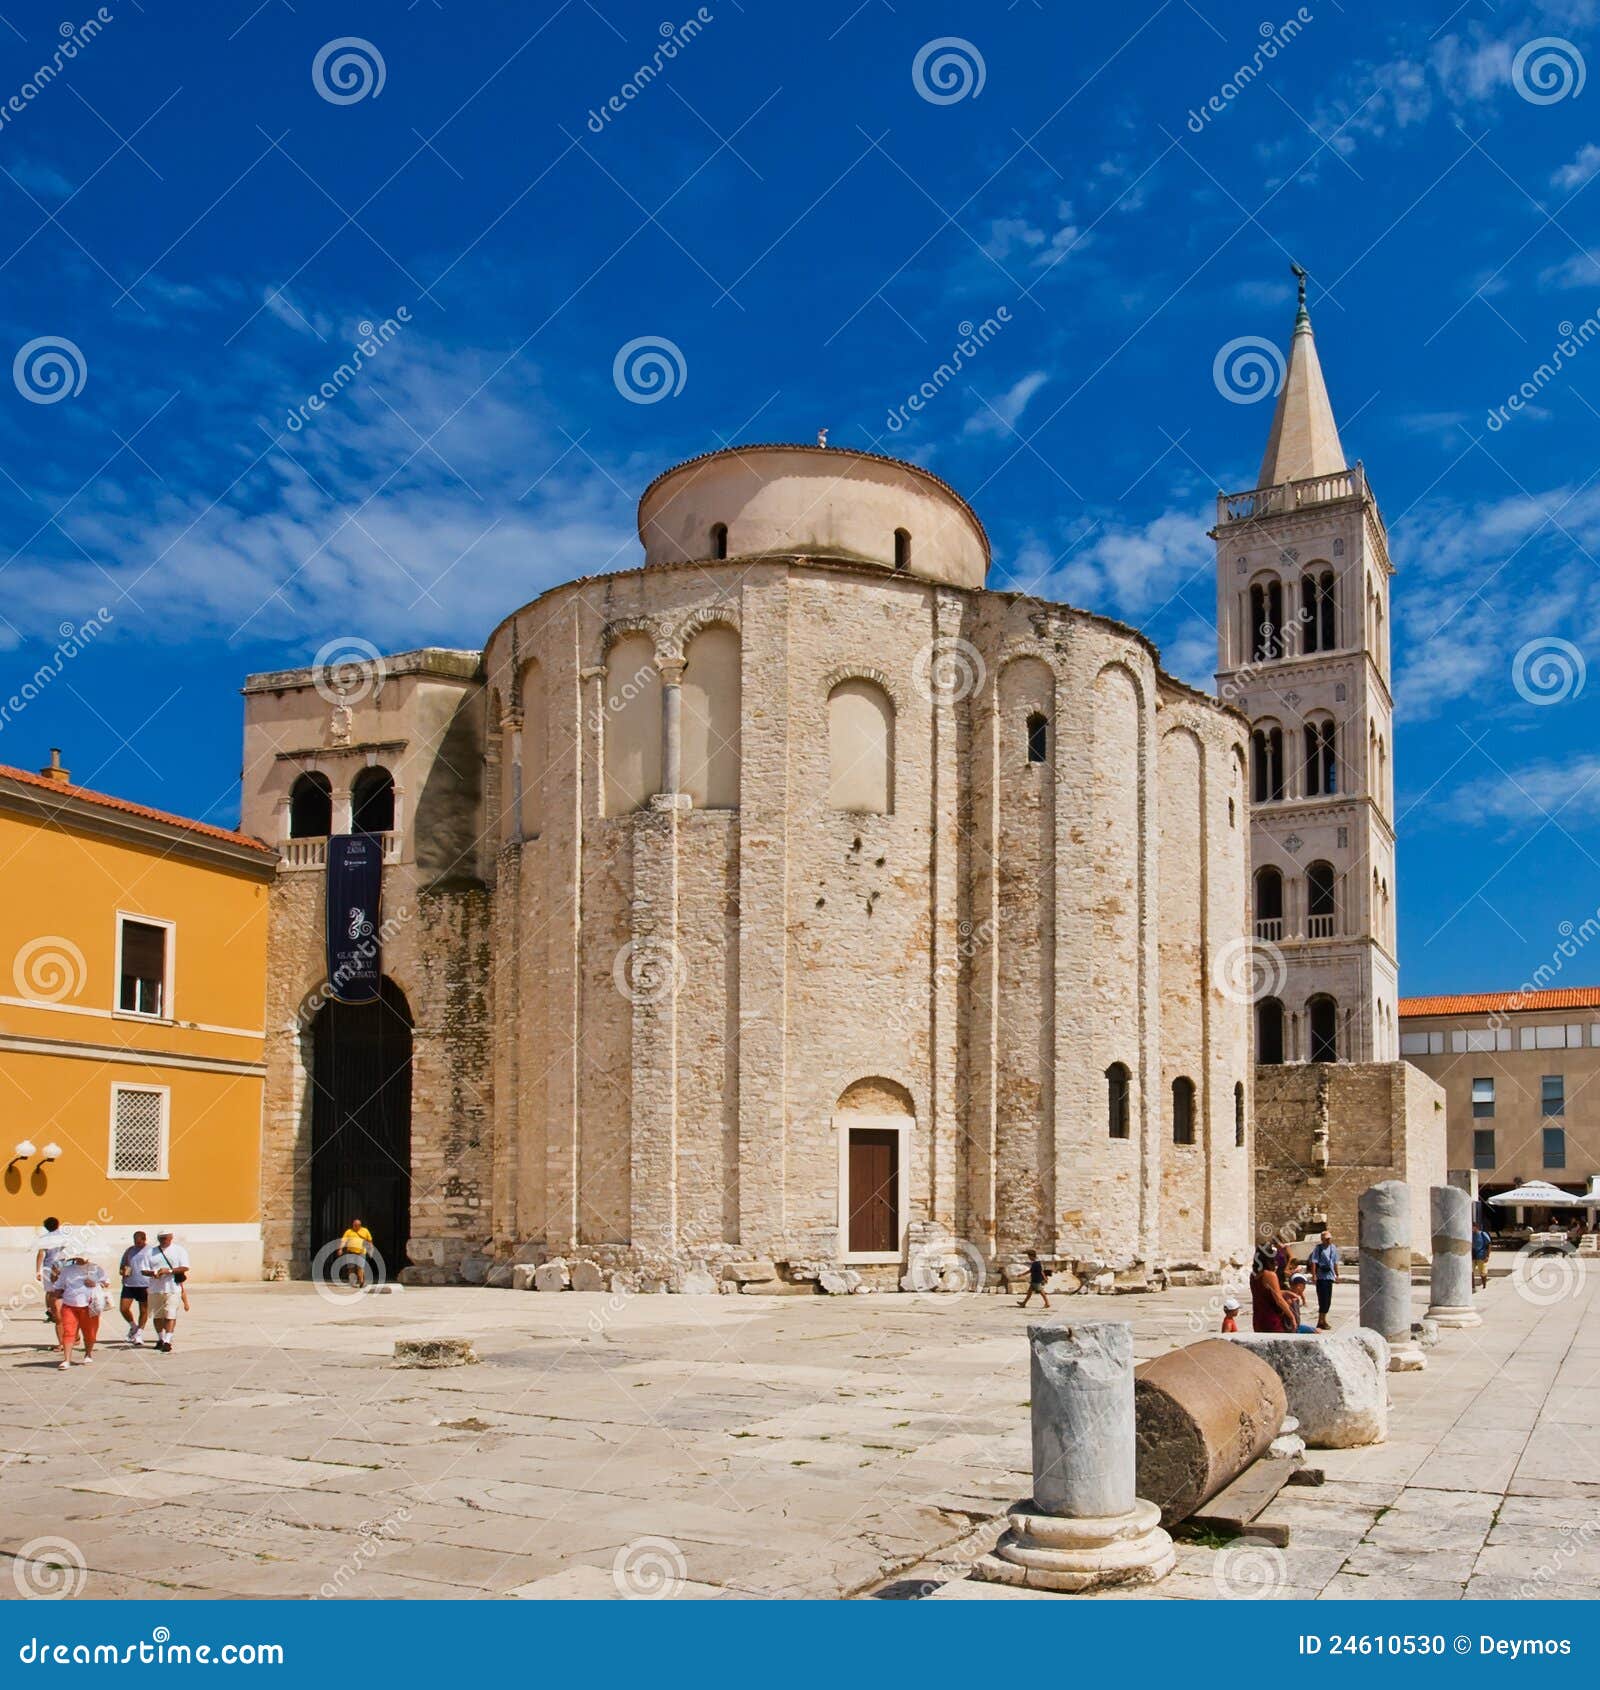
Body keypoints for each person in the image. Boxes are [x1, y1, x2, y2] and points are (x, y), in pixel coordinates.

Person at [50, 1251, 110, 1370]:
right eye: (79, 1256)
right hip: (69, 1305)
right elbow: (58, 1287)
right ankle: (66, 1360)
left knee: (90, 1333)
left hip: (90, 1305)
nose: (81, 1258)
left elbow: (106, 1282)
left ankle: (88, 1354)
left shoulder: (95, 1268)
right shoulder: (67, 1270)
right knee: (68, 1332)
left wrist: (95, 1283)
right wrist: (53, 1301)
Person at [142, 1230, 191, 1353]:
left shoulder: (179, 1250)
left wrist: (168, 1271)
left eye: (166, 1238)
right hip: (155, 1288)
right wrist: (153, 1273)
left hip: (172, 1288)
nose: (164, 1240)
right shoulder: (150, 1252)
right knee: (157, 1316)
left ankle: (168, 1341)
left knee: (170, 1314)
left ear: (171, 1237)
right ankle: (161, 1339)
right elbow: (143, 1270)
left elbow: (185, 1267)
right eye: (161, 1238)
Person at [1250, 1244, 1296, 1333]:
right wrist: (1292, 1316)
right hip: (1272, 1319)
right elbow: (1279, 1300)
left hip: (1258, 1319)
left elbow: (1263, 1293)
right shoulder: (1270, 1275)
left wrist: (1284, 1292)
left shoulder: (1253, 1275)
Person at [119, 1230, 150, 1345]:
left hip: (145, 1284)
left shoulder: (150, 1251)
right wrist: (124, 1272)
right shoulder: (129, 1250)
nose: (137, 1244)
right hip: (129, 1283)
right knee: (123, 1308)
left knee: (143, 1309)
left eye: (139, 1242)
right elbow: (124, 1264)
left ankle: (139, 1334)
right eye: (135, 1241)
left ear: (144, 1239)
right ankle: (133, 1327)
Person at [35, 1216, 64, 1333]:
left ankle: (52, 1311)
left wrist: (37, 1270)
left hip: (48, 1267)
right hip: (61, 1267)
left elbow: (41, 1254)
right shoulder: (64, 1238)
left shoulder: (44, 1239)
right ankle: (60, 1313)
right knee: (61, 1291)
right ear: (58, 1224)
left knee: (50, 1292)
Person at [1308, 1229, 1340, 1331]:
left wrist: (1337, 1274)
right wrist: (1314, 1275)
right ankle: (1320, 1321)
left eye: (1329, 1238)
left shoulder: (1333, 1248)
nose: (1328, 1240)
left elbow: (1335, 1262)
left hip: (1329, 1276)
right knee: (1322, 1299)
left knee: (1327, 1300)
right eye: (1326, 1239)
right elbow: (1314, 1261)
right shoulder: (1318, 1248)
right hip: (1321, 1277)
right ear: (1322, 1239)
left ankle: (1323, 1320)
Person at [339, 1217, 374, 1289]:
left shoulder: (365, 1231)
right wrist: (340, 1249)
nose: (355, 1226)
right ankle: (352, 1282)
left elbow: (370, 1241)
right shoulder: (349, 1231)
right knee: (351, 1268)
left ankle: (361, 1281)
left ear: (360, 1225)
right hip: (350, 1252)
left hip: (361, 1252)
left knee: (360, 1267)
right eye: (354, 1225)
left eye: (356, 1225)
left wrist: (370, 1250)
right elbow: (344, 1241)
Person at [1472, 1222, 1492, 1291]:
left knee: (1483, 1272)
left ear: (1476, 1227)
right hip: (1472, 1256)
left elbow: (1489, 1245)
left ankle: (1484, 1286)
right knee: (1470, 1271)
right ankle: (1473, 1286)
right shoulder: (1470, 1235)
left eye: (1472, 1227)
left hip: (1481, 1255)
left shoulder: (1482, 1234)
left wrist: (1487, 1256)